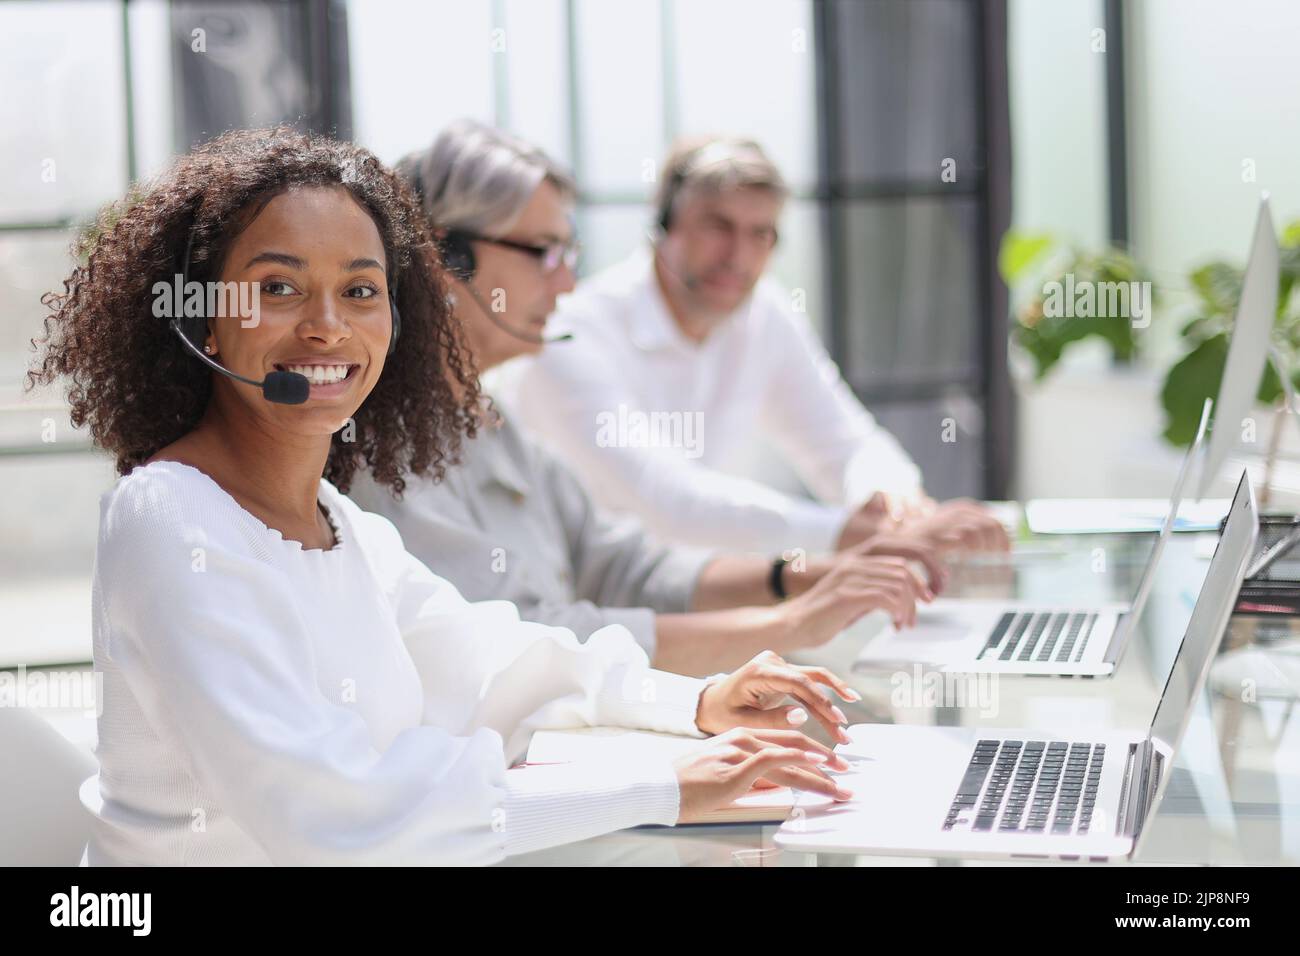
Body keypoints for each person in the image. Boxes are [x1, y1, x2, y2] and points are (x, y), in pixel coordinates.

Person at [28, 127, 859, 866]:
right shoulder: (169, 520)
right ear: (206, 319)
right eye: (278, 289)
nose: (328, 326)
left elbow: (495, 660)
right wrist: (660, 785)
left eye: (360, 290)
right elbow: (332, 813)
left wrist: (699, 701)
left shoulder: (338, 523)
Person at [350, 121, 946, 677]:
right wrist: (787, 621)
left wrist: (805, 574)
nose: (565, 283)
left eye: (570, 255)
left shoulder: (488, 423)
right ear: (444, 257)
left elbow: (624, 564)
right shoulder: (381, 451)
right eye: (543, 253)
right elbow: (527, 641)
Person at [511, 135, 1011, 556]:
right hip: (574, 613)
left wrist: (894, 502)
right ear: (662, 226)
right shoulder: (572, 333)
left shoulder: (762, 313)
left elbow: (844, 441)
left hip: (694, 591)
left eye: (761, 234)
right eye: (718, 227)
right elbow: (668, 505)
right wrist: (848, 532)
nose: (738, 256)